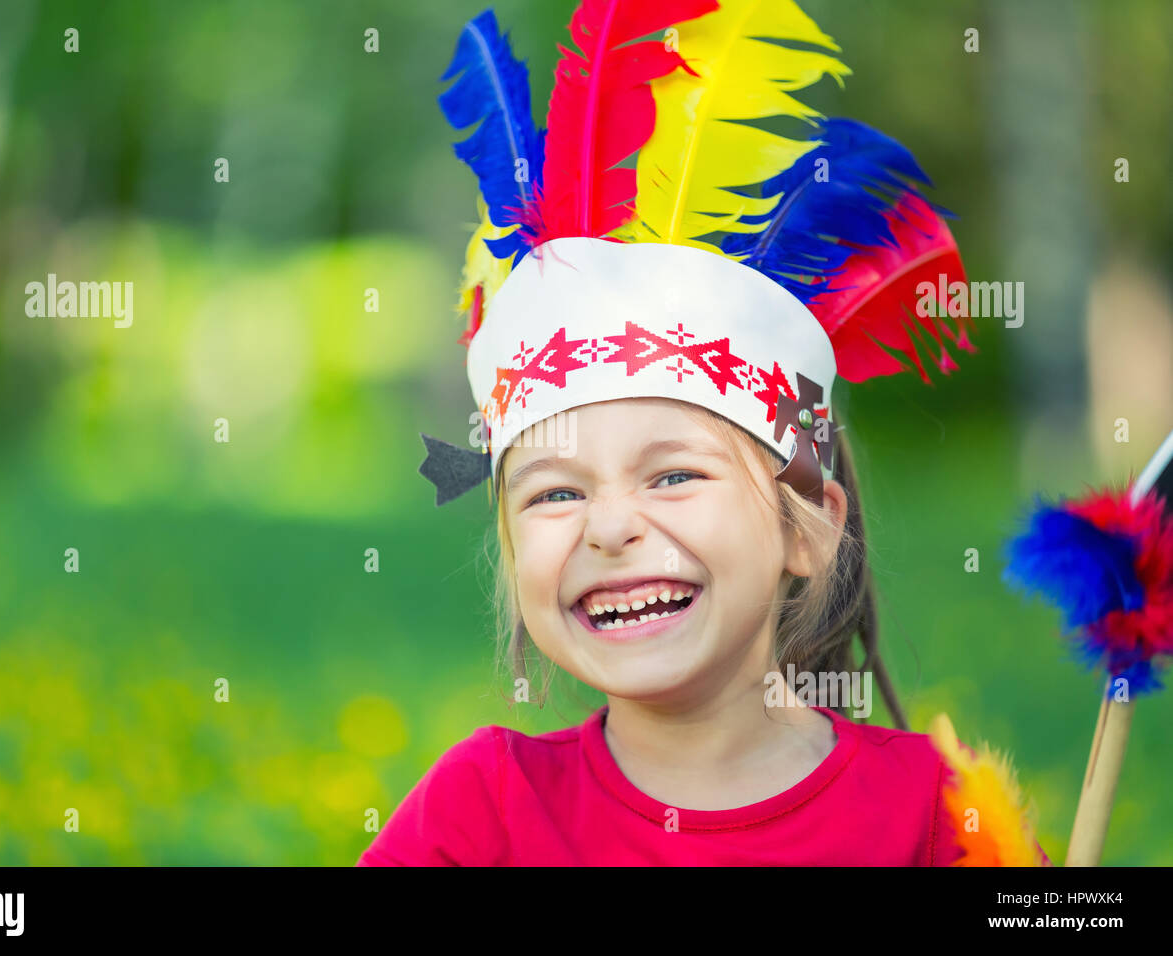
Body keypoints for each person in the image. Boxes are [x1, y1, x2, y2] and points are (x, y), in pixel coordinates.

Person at [358, 0, 1046, 866]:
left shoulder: (935, 815)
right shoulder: (480, 812)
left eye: (674, 476)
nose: (609, 528)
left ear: (810, 526)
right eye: (557, 492)